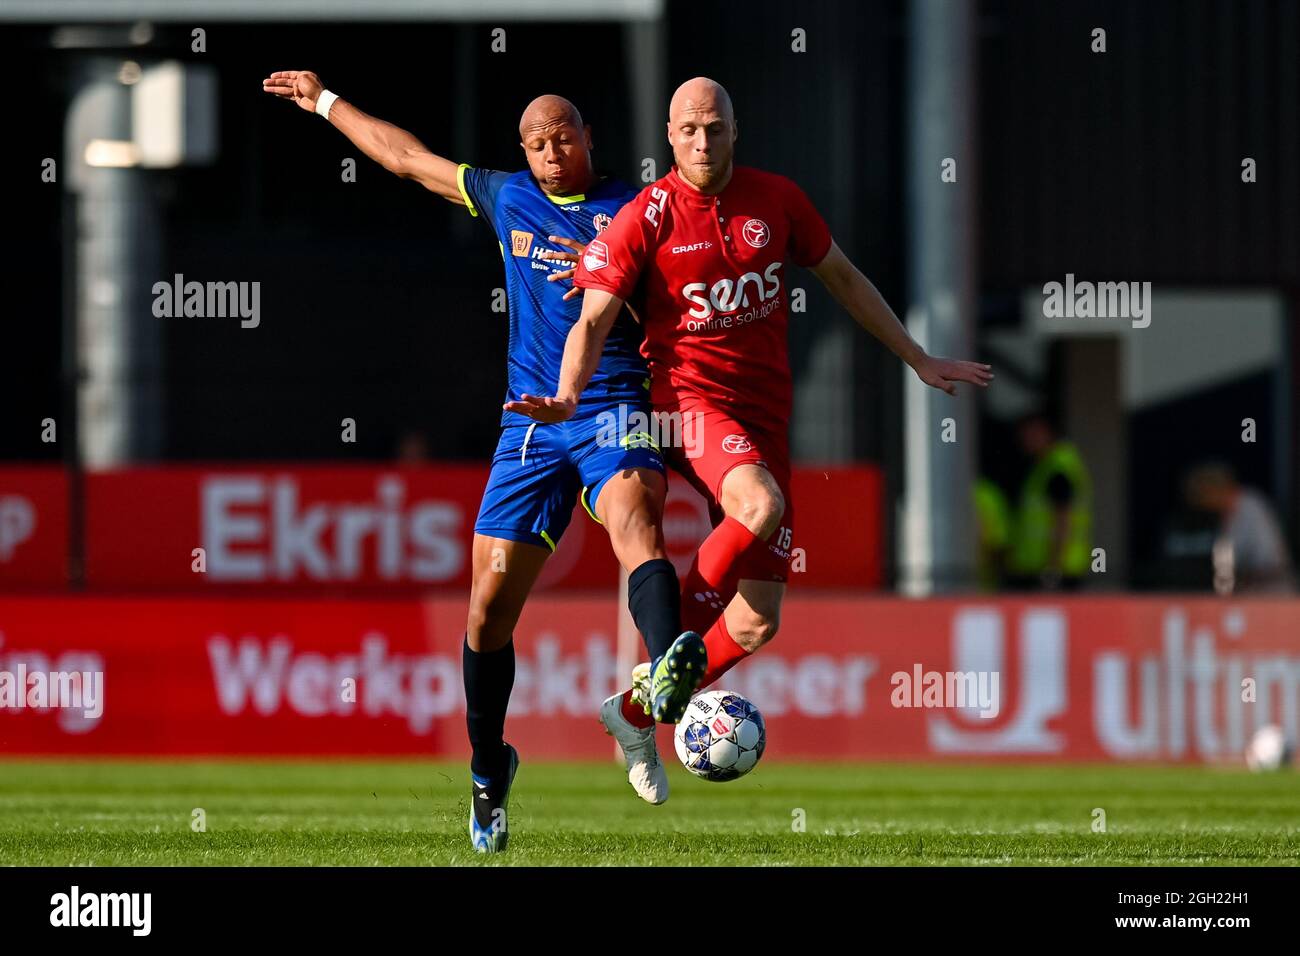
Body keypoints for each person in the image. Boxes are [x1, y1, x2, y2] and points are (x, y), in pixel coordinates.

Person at [508, 77, 991, 788]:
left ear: (736, 130)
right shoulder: (647, 216)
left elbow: (846, 280)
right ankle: (669, 648)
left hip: (765, 416)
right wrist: (569, 394)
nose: (703, 141)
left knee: (760, 619)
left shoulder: (778, 200)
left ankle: (640, 711)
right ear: (670, 138)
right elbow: (593, 317)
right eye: (690, 129)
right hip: (690, 402)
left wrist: (917, 357)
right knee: (757, 506)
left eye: (715, 127)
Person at [262, 71, 699, 851]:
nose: (551, 151)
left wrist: (623, 298)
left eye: (563, 135)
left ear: (590, 137)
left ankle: (671, 680)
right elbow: (405, 158)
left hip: (610, 408)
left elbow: (682, 305)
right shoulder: (507, 199)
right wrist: (326, 102)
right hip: (530, 425)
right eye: (536, 142)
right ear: (522, 154)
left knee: (636, 514)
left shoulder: (638, 210)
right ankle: (490, 768)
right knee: (488, 613)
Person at [1005, 413, 1092, 590]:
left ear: (1047, 433)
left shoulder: (1057, 469)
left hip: (1054, 572)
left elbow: (1063, 520)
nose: (1026, 440)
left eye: (1032, 434)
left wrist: (1053, 569)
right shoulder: (1045, 467)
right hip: (1041, 568)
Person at [1185, 462, 1295, 594]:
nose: (1202, 503)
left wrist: (1237, 577)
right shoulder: (1219, 518)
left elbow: (1272, 565)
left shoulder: (1251, 506)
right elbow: (1223, 573)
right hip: (1242, 598)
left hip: (1273, 597)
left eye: (1203, 494)